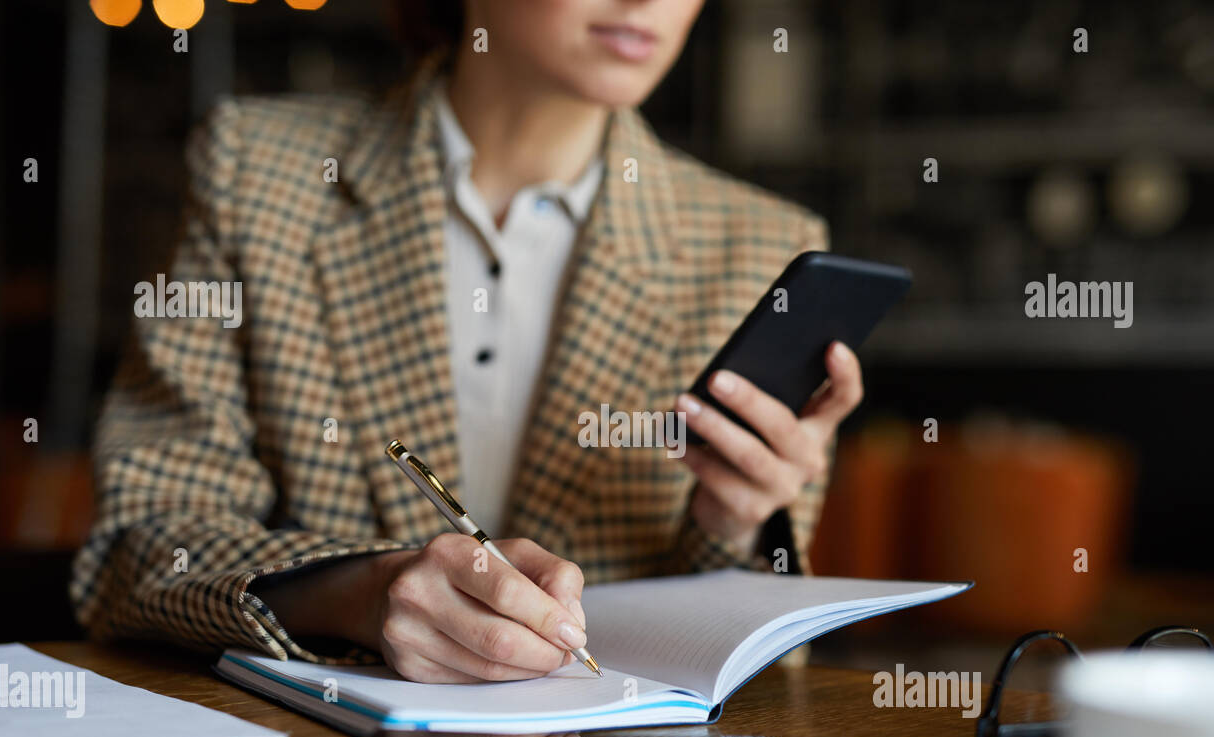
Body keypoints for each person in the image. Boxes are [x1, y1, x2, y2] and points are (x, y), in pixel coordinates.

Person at [72, 0, 864, 684]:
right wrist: (361, 591)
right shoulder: (257, 174)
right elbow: (140, 548)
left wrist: (735, 525)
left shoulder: (761, 247)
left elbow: (763, 674)